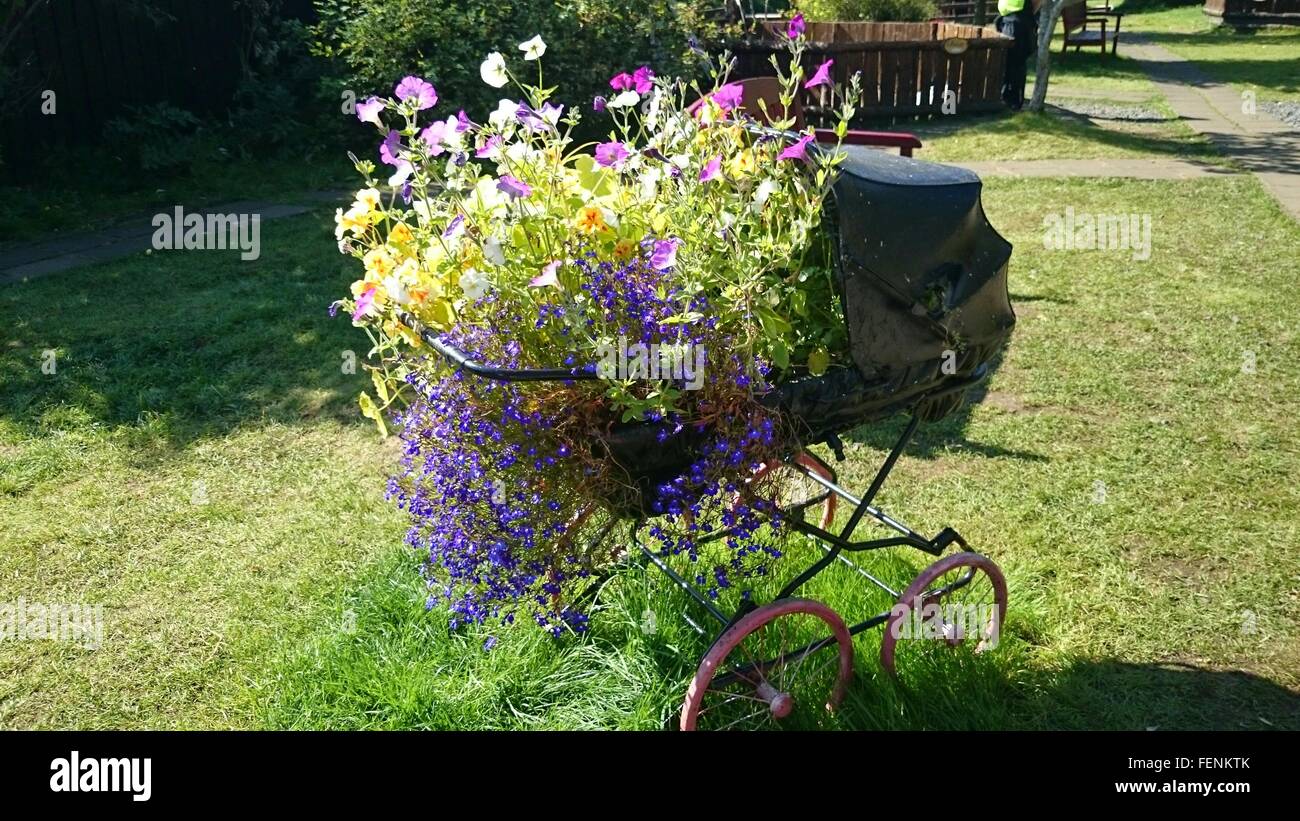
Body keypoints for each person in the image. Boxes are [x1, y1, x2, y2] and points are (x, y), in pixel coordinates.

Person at [995, 0, 1040, 111]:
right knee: (1007, 62)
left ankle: (1013, 101)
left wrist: (1028, 15)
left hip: (1018, 20)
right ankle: (1005, 97)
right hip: (1007, 18)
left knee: (1015, 63)